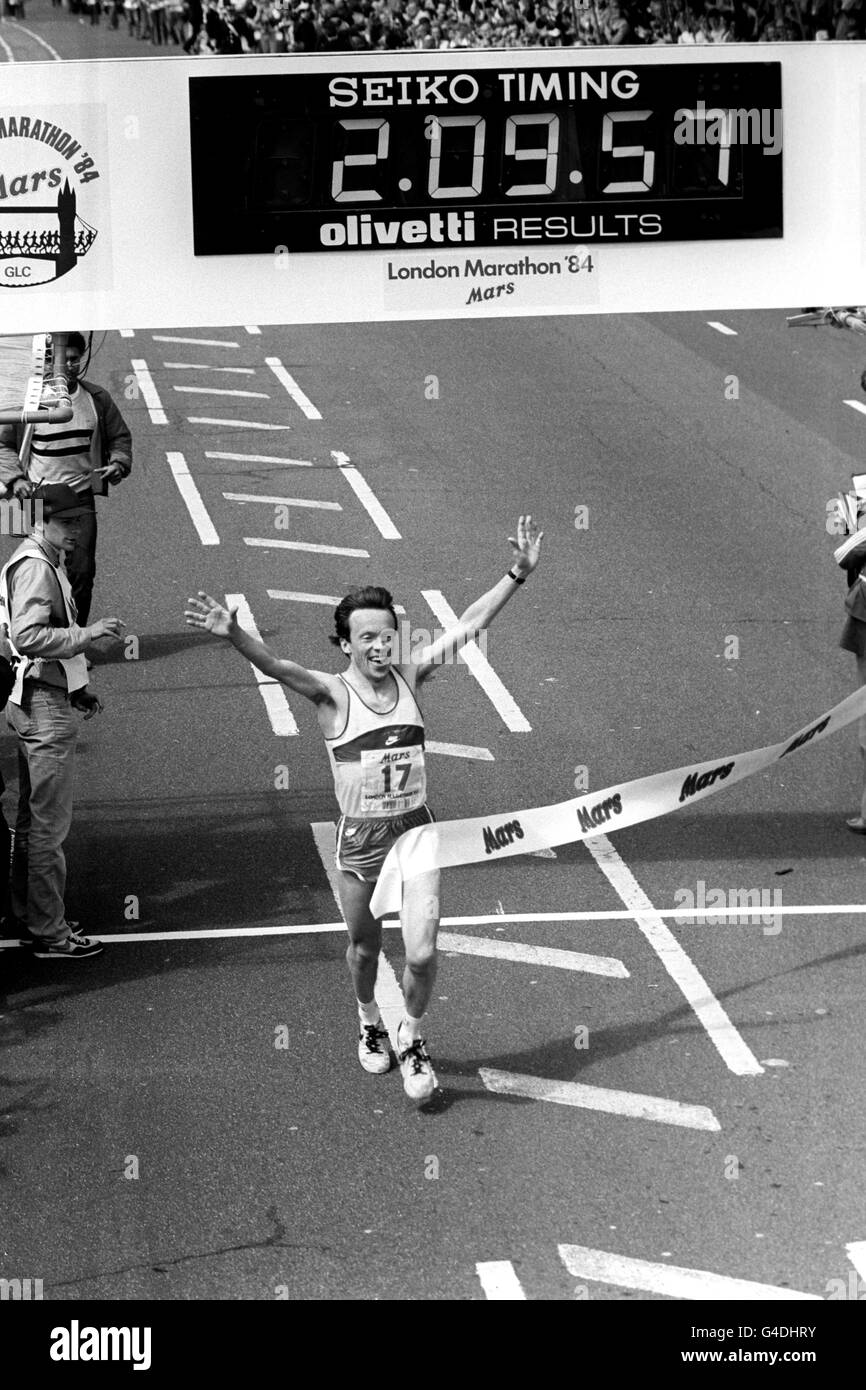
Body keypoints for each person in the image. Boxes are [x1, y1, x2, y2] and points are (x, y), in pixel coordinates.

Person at [185, 515, 543, 1101]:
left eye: (388, 635)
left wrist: (516, 575)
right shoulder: (331, 694)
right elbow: (277, 667)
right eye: (367, 638)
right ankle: (370, 1019)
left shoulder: (412, 674)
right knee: (365, 949)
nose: (380, 646)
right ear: (346, 643)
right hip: (362, 841)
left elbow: (470, 624)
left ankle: (413, 1035)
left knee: (423, 953)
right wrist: (234, 633)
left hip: (416, 835)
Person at [0, 483, 125, 959]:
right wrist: (87, 634)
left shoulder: (36, 557)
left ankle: (30, 912)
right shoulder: (37, 567)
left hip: (35, 698)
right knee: (49, 830)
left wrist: (78, 687)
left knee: (32, 822)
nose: (77, 528)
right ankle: (50, 933)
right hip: (43, 708)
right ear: (40, 519)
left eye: (79, 520)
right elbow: (29, 635)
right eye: (68, 521)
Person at [0, 332, 132, 628]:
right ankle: (26, 633)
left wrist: (118, 464)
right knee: (31, 568)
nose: (69, 365)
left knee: (82, 572)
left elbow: (120, 438)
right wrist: (15, 480)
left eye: (75, 359)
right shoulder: (27, 400)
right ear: (48, 361)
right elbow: (2, 445)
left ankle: (76, 638)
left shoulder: (96, 398)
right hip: (32, 497)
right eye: (63, 359)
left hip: (79, 499)